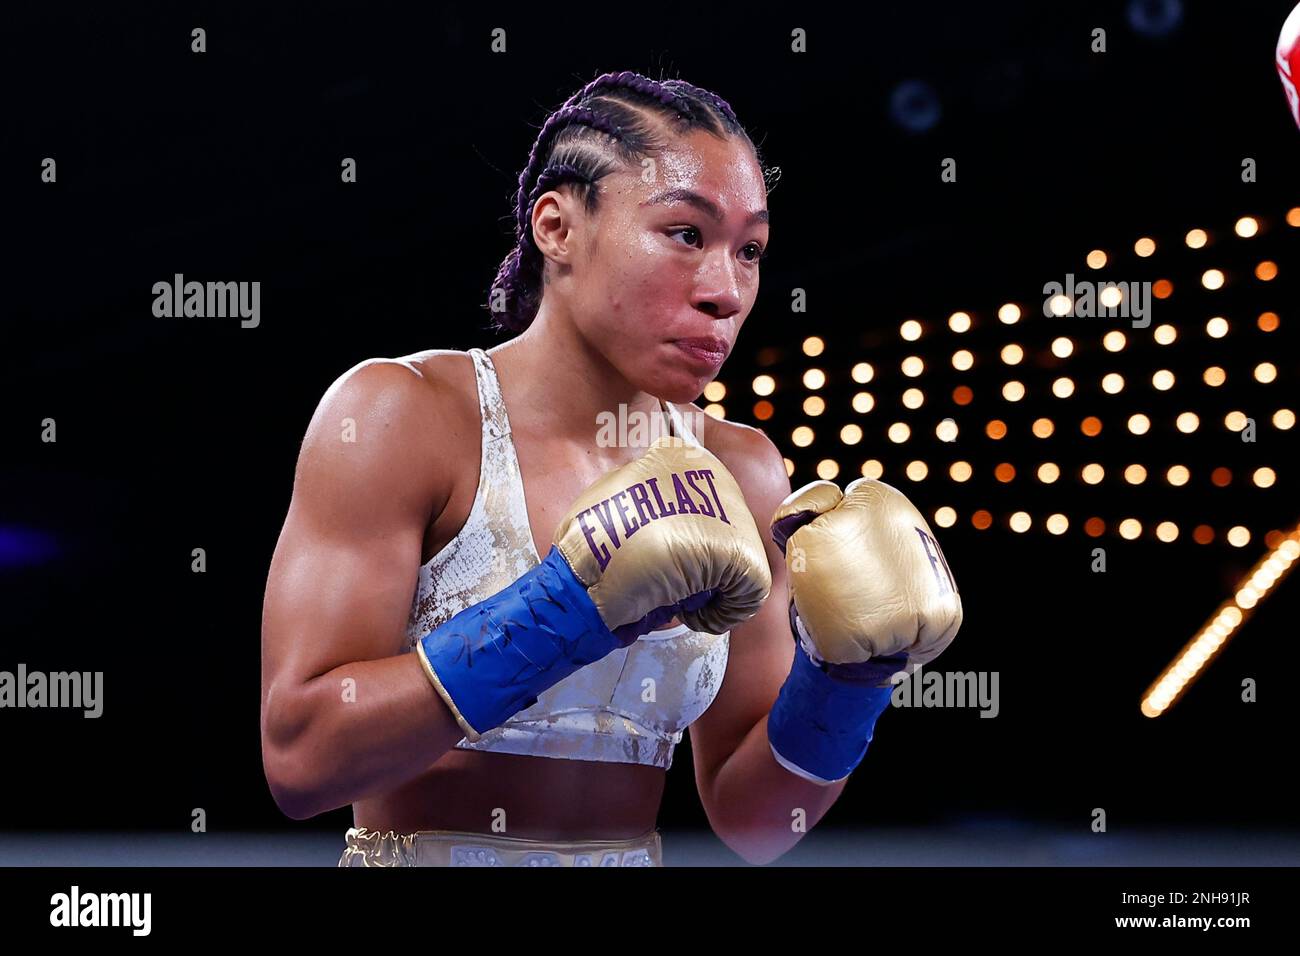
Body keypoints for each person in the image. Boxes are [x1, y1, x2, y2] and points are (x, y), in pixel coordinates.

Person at [259, 70, 963, 867]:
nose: (727, 292)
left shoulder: (745, 469)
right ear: (557, 227)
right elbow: (301, 760)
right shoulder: (405, 414)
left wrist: (848, 685)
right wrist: (566, 612)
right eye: (687, 234)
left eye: (752, 250)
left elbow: (759, 824)